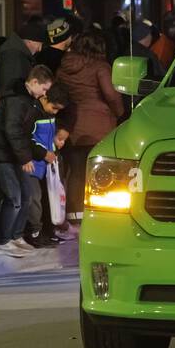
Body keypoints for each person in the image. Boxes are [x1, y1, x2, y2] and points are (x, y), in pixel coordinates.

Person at [0, 65, 54, 256]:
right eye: (44, 89)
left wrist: (33, 154)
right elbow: (13, 130)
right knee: (14, 197)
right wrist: (25, 158)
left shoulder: (28, 100)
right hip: (2, 154)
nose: (44, 94)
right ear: (34, 82)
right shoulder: (17, 100)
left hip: (12, 154)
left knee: (26, 195)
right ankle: (1, 241)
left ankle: (14, 235)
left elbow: (23, 133)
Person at [57, 29, 124, 222]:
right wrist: (121, 114)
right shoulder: (101, 67)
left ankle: (74, 213)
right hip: (99, 126)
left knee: (76, 171)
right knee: (103, 170)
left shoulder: (63, 67)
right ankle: (103, 210)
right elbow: (111, 95)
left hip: (72, 127)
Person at [23, 83, 71, 249]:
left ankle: (48, 231)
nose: (55, 112)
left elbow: (47, 136)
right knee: (34, 199)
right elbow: (27, 140)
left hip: (46, 166)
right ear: (44, 98)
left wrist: (55, 143)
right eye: (54, 107)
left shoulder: (49, 115)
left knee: (48, 199)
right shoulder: (32, 113)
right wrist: (43, 153)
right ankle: (33, 232)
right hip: (33, 165)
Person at [0, 19, 45, 96]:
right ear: (30, 41)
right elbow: (10, 90)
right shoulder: (13, 58)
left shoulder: (16, 55)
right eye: (39, 44)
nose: (40, 49)